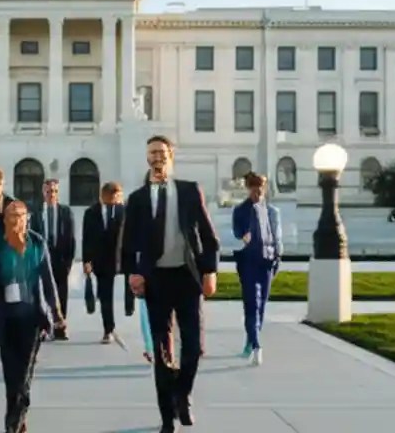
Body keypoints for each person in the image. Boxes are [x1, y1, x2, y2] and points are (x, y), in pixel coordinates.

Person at [121, 135, 220, 432]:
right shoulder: (138, 199)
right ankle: (167, 418)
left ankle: (182, 393)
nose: (157, 157)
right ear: (147, 158)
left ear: (171, 156)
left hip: (186, 277)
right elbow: (127, 245)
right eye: (152, 153)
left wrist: (210, 272)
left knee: (193, 347)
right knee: (162, 351)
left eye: (161, 152)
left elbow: (209, 236)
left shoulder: (190, 191)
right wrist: (132, 273)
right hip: (157, 281)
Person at [0, 200, 66, 433]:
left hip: (32, 319)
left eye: (20, 215)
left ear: (27, 218)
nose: (16, 220)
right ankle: (18, 414)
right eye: (11, 215)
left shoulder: (37, 243)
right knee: (11, 376)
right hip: (7, 318)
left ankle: (13, 423)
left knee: (24, 373)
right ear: (5, 219)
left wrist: (56, 313)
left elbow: (48, 281)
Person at [231, 172, 282, 365]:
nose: (257, 191)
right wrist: (246, 236)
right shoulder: (241, 210)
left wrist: (278, 258)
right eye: (253, 187)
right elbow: (237, 232)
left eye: (260, 186)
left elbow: (277, 237)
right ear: (248, 188)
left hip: (267, 261)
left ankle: (250, 340)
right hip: (249, 261)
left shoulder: (272, 211)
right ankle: (257, 345)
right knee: (251, 303)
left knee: (261, 305)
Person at [82, 180, 130, 343]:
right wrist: (86, 261)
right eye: (113, 196)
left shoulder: (123, 211)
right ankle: (108, 328)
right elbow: (86, 238)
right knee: (105, 296)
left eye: (118, 196)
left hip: (122, 259)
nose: (116, 199)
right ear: (104, 196)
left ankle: (128, 307)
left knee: (130, 289)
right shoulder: (91, 213)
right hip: (101, 261)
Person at [30, 178, 74, 339]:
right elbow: (32, 237)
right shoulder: (35, 213)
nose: (52, 195)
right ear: (43, 193)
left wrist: (68, 262)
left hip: (60, 258)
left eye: (55, 191)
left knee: (61, 293)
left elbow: (71, 238)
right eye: (48, 192)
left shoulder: (65, 212)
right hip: (41, 259)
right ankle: (43, 326)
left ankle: (60, 327)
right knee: (41, 294)